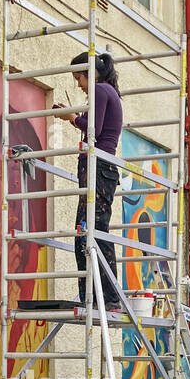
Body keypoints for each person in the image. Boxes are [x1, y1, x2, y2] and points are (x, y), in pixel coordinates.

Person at [51, 51, 123, 308]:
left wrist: (71, 117)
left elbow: (96, 128)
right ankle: (97, 297)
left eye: (79, 78)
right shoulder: (106, 91)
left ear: (91, 74)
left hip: (99, 166)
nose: (78, 85)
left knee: (91, 232)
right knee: (88, 231)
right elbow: (93, 126)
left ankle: (105, 298)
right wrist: (73, 118)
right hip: (99, 167)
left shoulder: (101, 91)